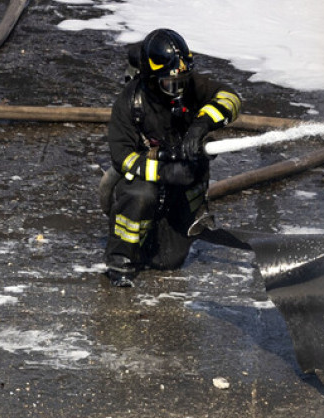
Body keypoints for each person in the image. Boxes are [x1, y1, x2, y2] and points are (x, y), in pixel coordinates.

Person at [101, 28, 241, 287]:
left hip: (183, 184)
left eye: (182, 82)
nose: (178, 91)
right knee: (141, 196)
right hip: (145, 180)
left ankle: (169, 229)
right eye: (170, 84)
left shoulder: (189, 85)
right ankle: (120, 259)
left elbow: (231, 98)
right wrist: (163, 171)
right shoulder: (131, 102)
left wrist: (201, 125)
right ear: (152, 80)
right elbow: (122, 157)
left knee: (167, 262)